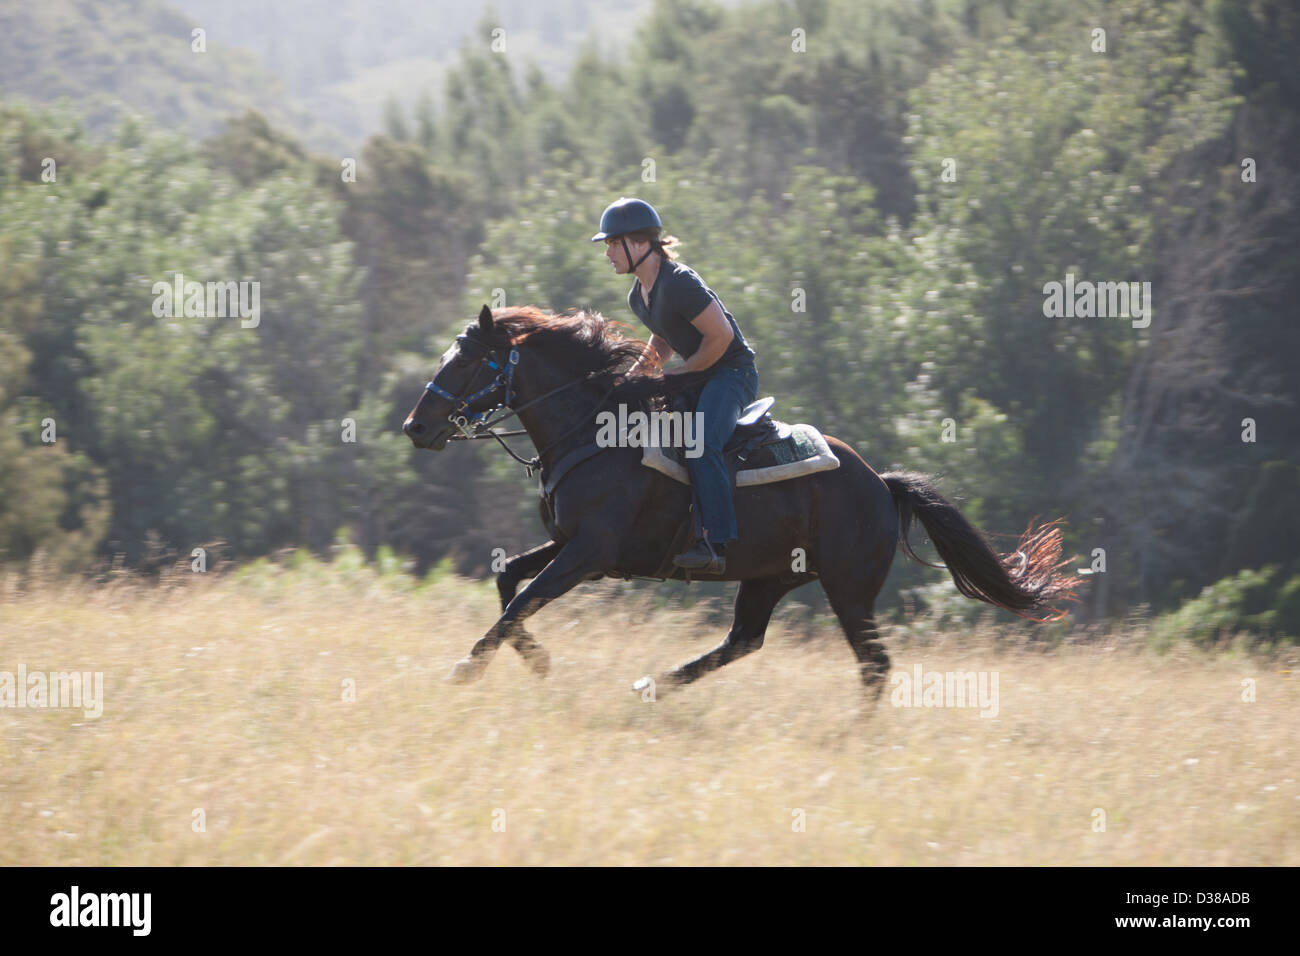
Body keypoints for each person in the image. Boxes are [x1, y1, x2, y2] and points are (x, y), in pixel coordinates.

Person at [592, 196, 758, 574]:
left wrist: (678, 376)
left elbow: (720, 337)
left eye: (613, 244)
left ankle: (716, 544)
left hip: (732, 375)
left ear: (639, 244)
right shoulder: (639, 295)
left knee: (700, 444)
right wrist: (634, 377)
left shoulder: (680, 283)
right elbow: (663, 340)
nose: (608, 253)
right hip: (700, 373)